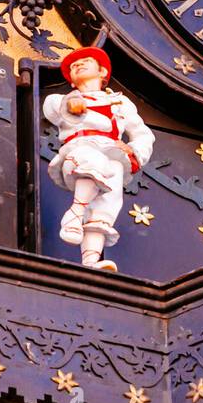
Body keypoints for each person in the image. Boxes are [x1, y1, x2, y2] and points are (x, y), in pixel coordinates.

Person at [43, 46, 154, 272]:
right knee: (95, 163)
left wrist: (133, 151)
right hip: (80, 148)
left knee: (106, 206)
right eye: (74, 66)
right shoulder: (65, 99)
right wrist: (70, 103)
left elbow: (142, 134)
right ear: (72, 82)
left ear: (102, 72)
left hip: (113, 153)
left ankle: (91, 263)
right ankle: (75, 213)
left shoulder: (121, 103)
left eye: (85, 61)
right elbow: (52, 106)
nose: (78, 65)